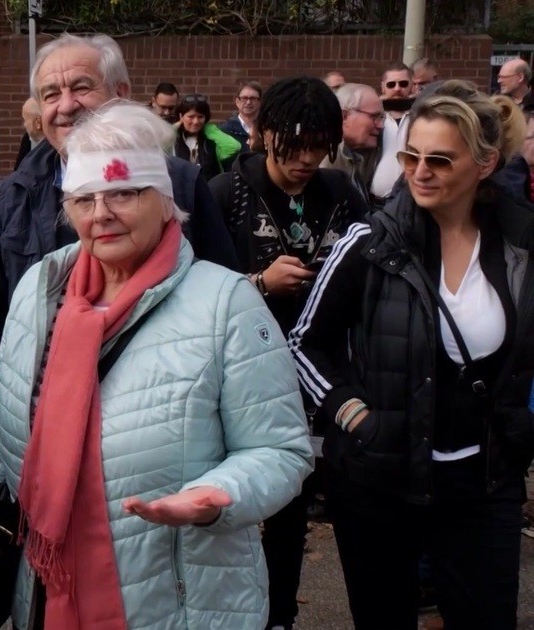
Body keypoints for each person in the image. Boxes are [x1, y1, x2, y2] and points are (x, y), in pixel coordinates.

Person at [0, 100, 314, 630]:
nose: (100, 212)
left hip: (178, 597)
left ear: (165, 201)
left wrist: (220, 496)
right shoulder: (40, 288)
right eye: (83, 198)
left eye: (124, 192)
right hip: (45, 589)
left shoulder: (226, 302)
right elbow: (6, 431)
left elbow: (280, 448)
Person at [290, 86, 534, 630]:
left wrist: (522, 429)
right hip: (379, 482)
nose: (420, 172)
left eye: (441, 159)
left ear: (486, 163)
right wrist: (355, 416)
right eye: (410, 157)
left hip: (483, 485)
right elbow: (305, 340)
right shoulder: (370, 241)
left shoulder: (521, 243)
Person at [0, 34, 238, 389]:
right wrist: (9, 403)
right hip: (46, 407)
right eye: (51, 94)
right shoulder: (16, 193)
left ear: (122, 93)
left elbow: (224, 298)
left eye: (82, 87)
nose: (66, 106)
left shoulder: (181, 183)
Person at [209, 77, 368, 630]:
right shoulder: (226, 193)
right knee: (239, 503)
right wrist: (258, 281)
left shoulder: (343, 194)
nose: (305, 159)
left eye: (318, 146)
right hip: (245, 372)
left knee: (296, 508)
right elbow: (197, 290)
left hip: (321, 371)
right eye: (294, 145)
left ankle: (279, 616)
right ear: (266, 134)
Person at [322, 82, 384, 202]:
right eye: (374, 117)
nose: (380, 125)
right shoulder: (326, 157)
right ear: (344, 116)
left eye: (381, 118)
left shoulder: (357, 153)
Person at [369, 62, 413, 211]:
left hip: (411, 201)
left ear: (412, 85)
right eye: (391, 84)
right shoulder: (372, 118)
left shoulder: (421, 117)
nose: (397, 89)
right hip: (376, 203)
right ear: (383, 87)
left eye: (403, 83)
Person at [172, 93, 240, 182]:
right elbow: (158, 143)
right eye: (191, 117)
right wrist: (175, 128)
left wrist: (207, 128)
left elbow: (234, 146)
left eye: (200, 117)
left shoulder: (210, 141)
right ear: (181, 116)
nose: (196, 121)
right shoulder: (173, 140)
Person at [220, 79, 262, 150]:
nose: (248, 102)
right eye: (244, 98)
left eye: (253, 98)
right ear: (237, 102)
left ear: (260, 102)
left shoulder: (267, 130)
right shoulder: (224, 131)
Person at [14, 96, 44, 168]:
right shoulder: (27, 140)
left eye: (25, 120)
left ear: (38, 122)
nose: (24, 125)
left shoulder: (55, 148)